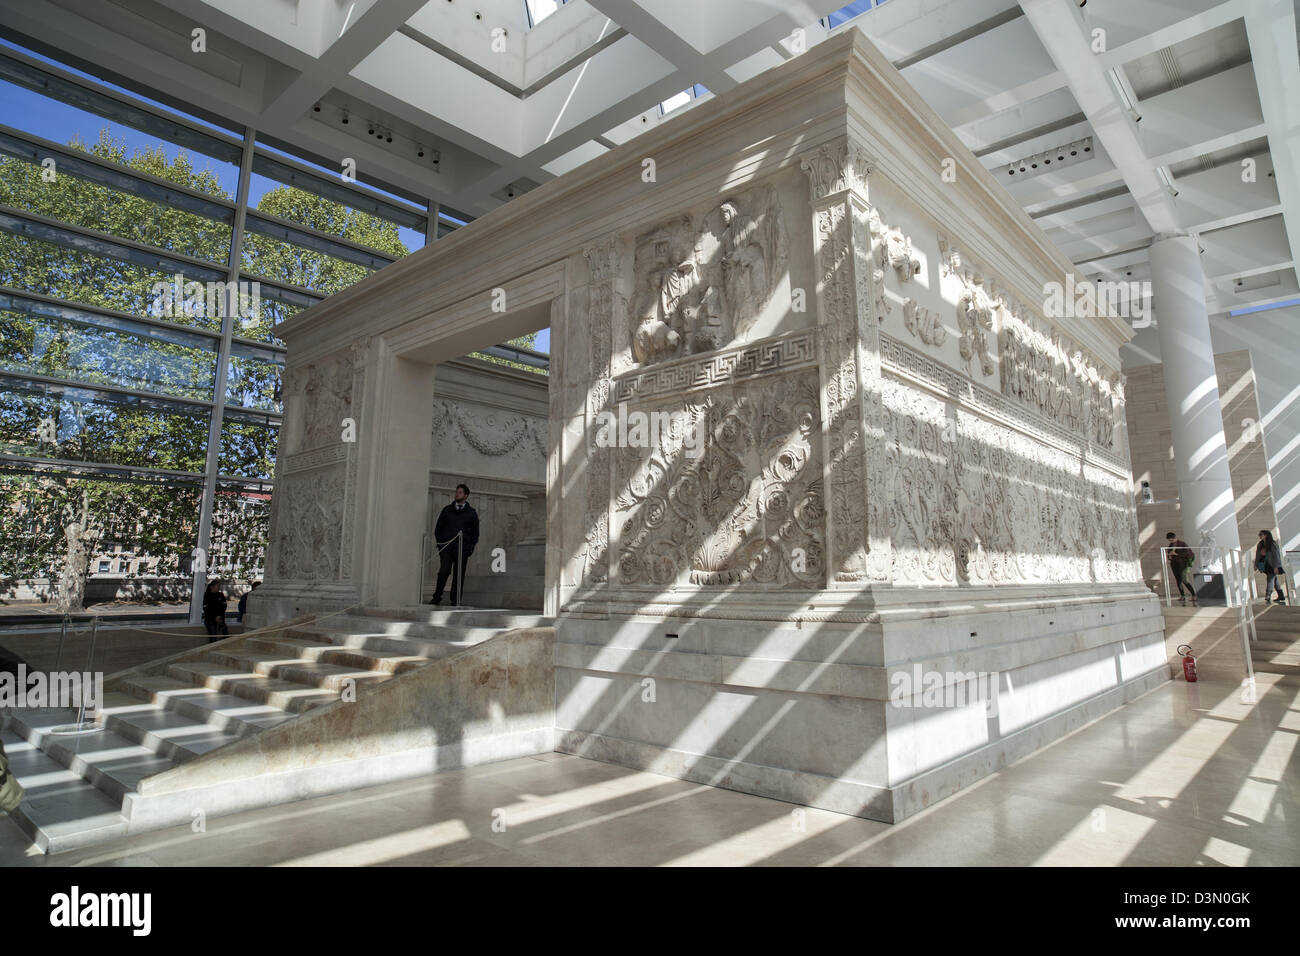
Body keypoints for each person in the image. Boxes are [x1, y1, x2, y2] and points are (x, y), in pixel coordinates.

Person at [430, 484, 479, 606]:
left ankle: (455, 600)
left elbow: (475, 533)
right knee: (444, 571)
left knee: (459, 575)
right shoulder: (447, 510)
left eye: (460, 492)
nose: (457, 494)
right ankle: (436, 597)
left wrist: (469, 548)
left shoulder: (471, 513)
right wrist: (441, 545)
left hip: (462, 549)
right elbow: (438, 529)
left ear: (466, 495)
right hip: (446, 547)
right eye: (457, 492)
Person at [1165, 531, 1198, 606]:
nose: (1171, 541)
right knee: (1178, 580)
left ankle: (1194, 595)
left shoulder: (1182, 544)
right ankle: (1182, 596)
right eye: (1169, 540)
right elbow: (1169, 555)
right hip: (1174, 564)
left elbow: (1188, 553)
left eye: (1172, 540)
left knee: (1184, 579)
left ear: (1175, 538)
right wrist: (1170, 555)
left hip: (1183, 564)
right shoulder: (1170, 545)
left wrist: (1176, 554)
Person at [1255, 530, 1286, 604]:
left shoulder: (1272, 544)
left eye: (1261, 534)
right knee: (1274, 580)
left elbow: (1276, 556)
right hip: (1264, 564)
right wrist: (1256, 564)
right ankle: (1281, 595)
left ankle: (1268, 595)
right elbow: (1257, 555)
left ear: (1266, 535)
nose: (1259, 536)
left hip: (1272, 565)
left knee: (1270, 579)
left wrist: (1276, 567)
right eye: (1259, 534)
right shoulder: (1260, 544)